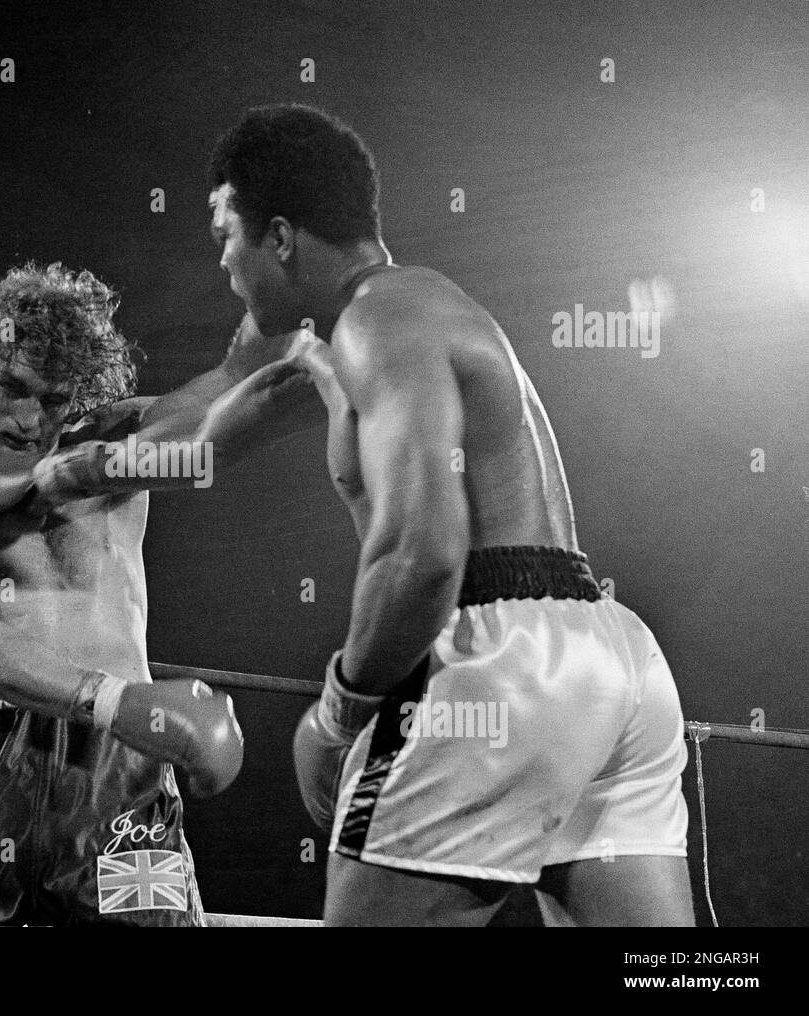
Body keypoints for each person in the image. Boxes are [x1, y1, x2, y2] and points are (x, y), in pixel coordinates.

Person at [204, 104, 694, 926]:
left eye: (225, 232)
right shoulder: (398, 319)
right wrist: (75, 467)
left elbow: (423, 552)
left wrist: (336, 713)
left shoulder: (378, 318)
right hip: (609, 659)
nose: (222, 262)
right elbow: (201, 432)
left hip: (491, 657)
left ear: (280, 237)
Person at [0, 261, 312, 926]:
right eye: (12, 389)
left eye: (53, 401)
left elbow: (239, 395)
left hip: (120, 770)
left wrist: (298, 315)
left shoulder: (117, 441)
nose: (27, 421)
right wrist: (119, 702)